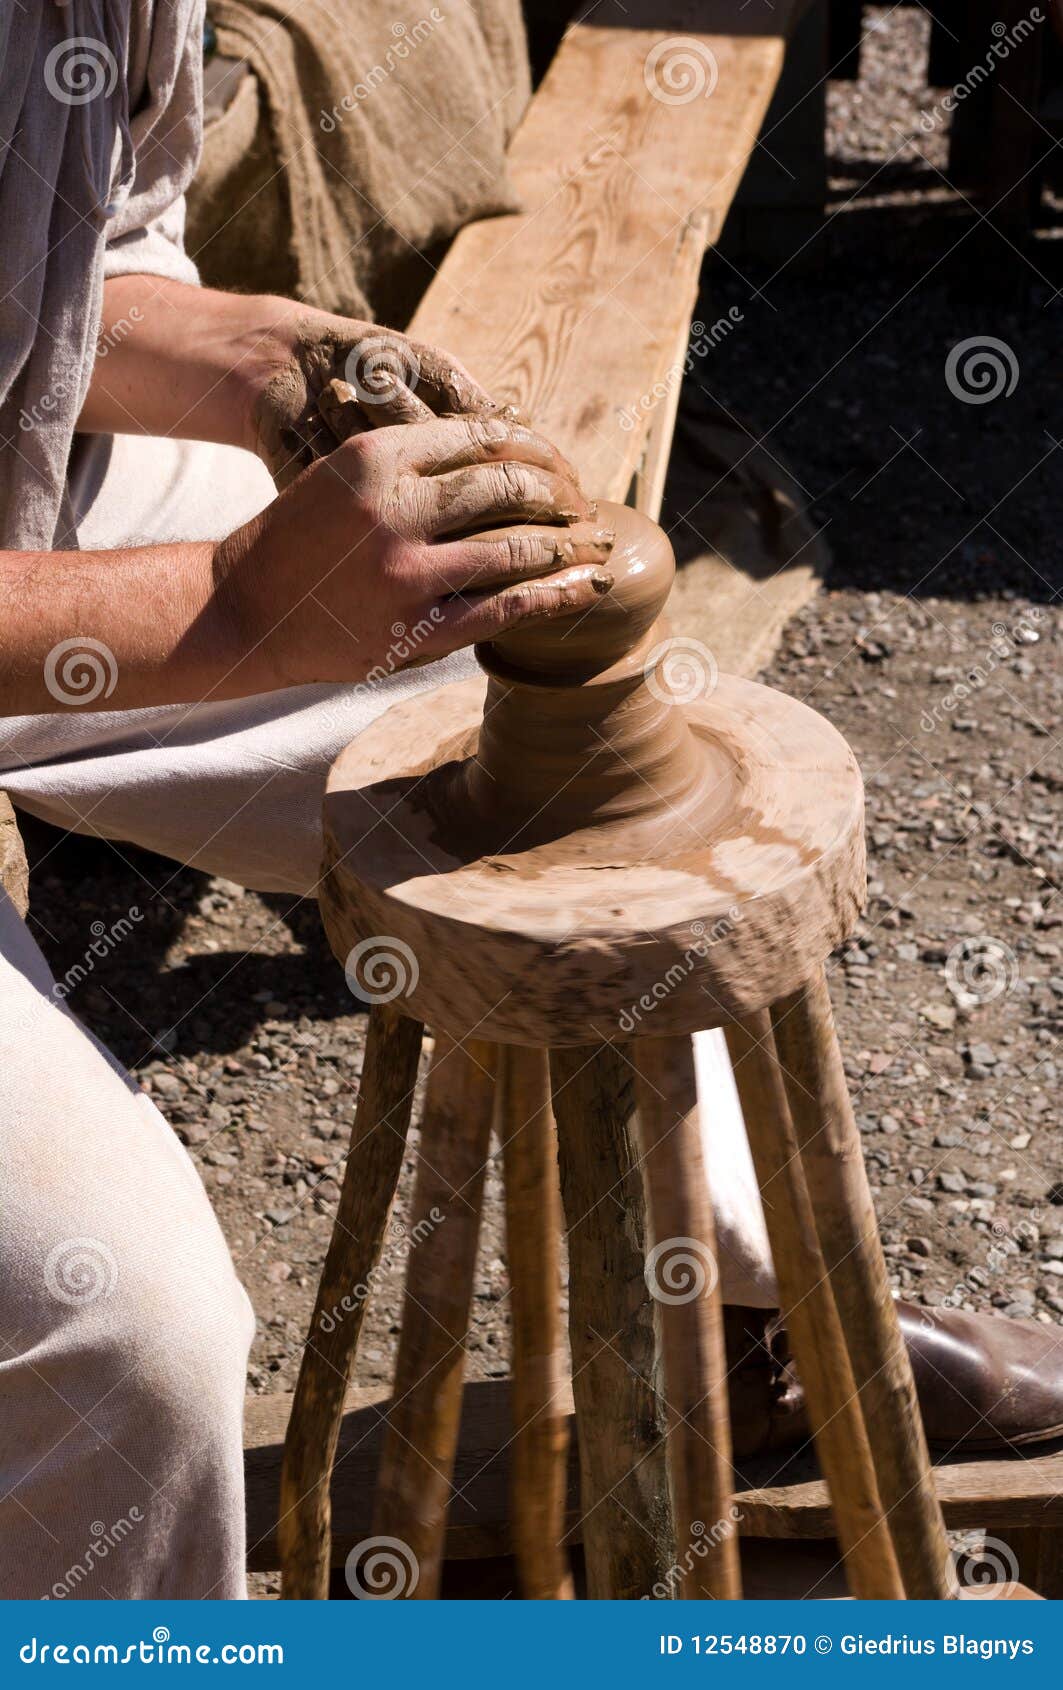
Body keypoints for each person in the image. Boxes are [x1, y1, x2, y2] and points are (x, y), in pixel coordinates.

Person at [1, 2, 1060, 1601]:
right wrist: (223, 608)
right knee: (126, 1342)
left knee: (553, 724)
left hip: (35, 489)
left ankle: (748, 1317)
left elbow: (76, 268)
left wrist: (273, 359)